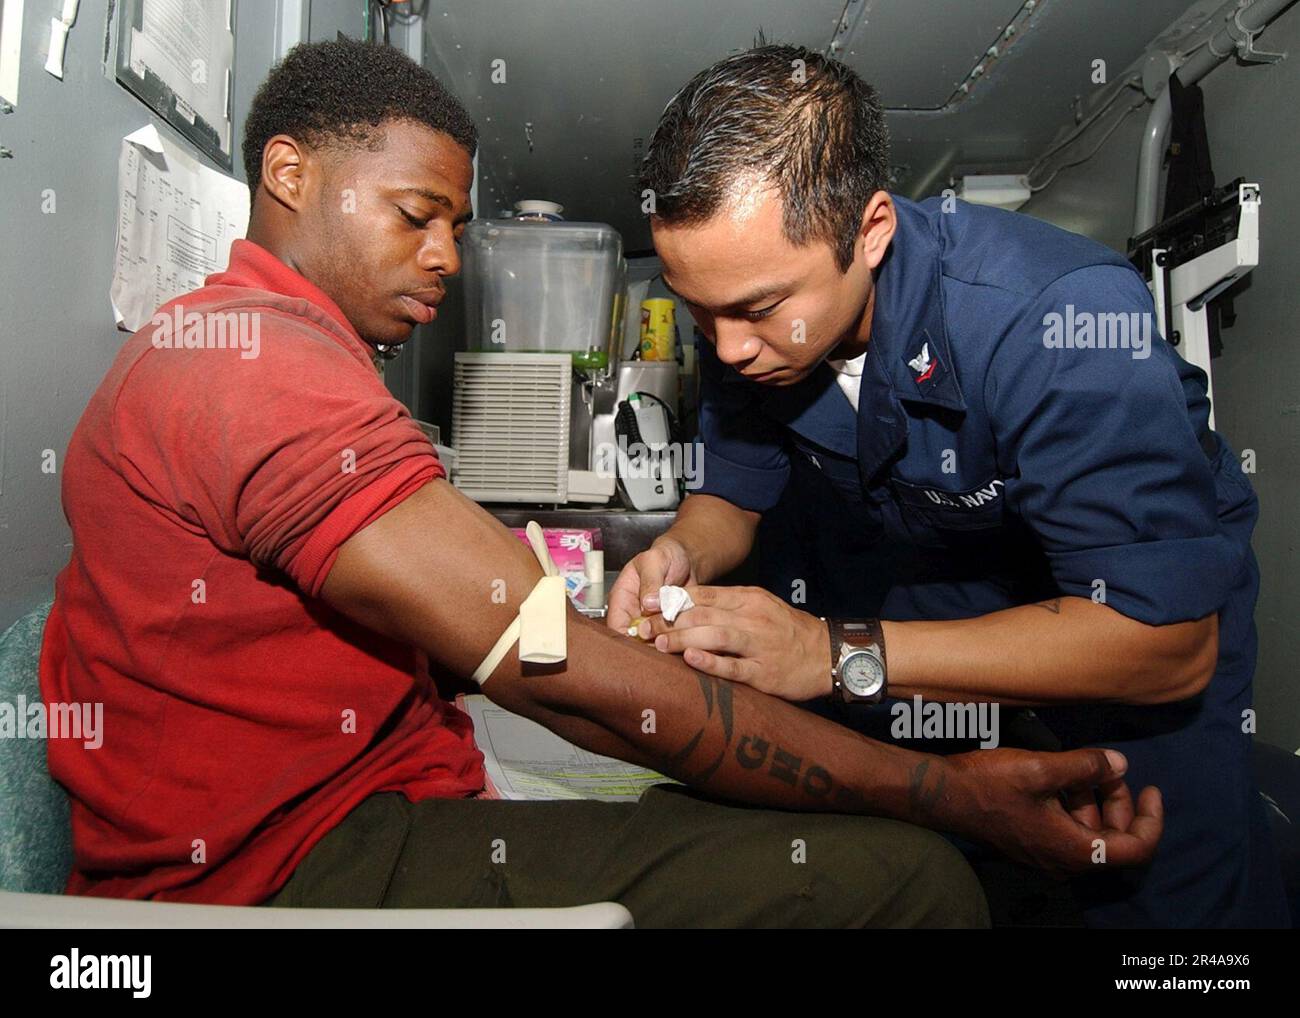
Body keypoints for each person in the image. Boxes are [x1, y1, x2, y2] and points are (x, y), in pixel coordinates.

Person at [39, 38, 1160, 928]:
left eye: (456, 227)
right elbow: (553, 668)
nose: (444, 256)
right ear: (287, 174)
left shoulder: (266, 349)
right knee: (912, 879)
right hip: (289, 872)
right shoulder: (259, 367)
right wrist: (942, 791)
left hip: (372, 800)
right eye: (414, 217)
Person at [610, 44, 1282, 928]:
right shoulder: (740, 303)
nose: (728, 347)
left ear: (872, 232)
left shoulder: (1059, 318)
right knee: (928, 845)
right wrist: (677, 553)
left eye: (761, 310)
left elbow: (1167, 643)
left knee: (1162, 889)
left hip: (1129, 613)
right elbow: (735, 492)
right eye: (700, 307)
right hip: (931, 573)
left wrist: (834, 652)